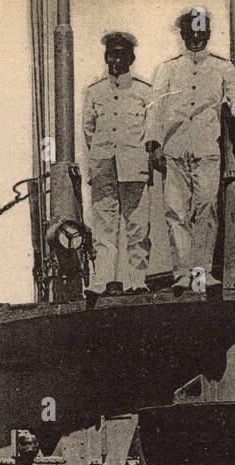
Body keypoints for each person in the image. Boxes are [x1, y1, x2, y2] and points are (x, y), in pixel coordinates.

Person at [144, 8, 235, 292]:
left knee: (206, 207)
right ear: (183, 35)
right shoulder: (169, 68)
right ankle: (182, 273)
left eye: (202, 34)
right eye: (191, 34)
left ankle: (200, 274)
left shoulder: (222, 67)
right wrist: (154, 145)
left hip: (206, 149)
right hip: (174, 149)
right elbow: (155, 110)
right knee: (176, 211)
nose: (196, 40)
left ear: (209, 35)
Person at [83, 30, 152, 294]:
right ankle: (102, 280)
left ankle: (137, 281)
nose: (116, 60)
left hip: (134, 167)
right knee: (104, 228)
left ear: (131, 58)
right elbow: (89, 129)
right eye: (112, 55)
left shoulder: (144, 92)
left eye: (121, 55)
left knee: (137, 227)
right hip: (103, 166)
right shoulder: (94, 91)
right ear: (106, 57)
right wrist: (100, 157)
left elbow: (149, 129)